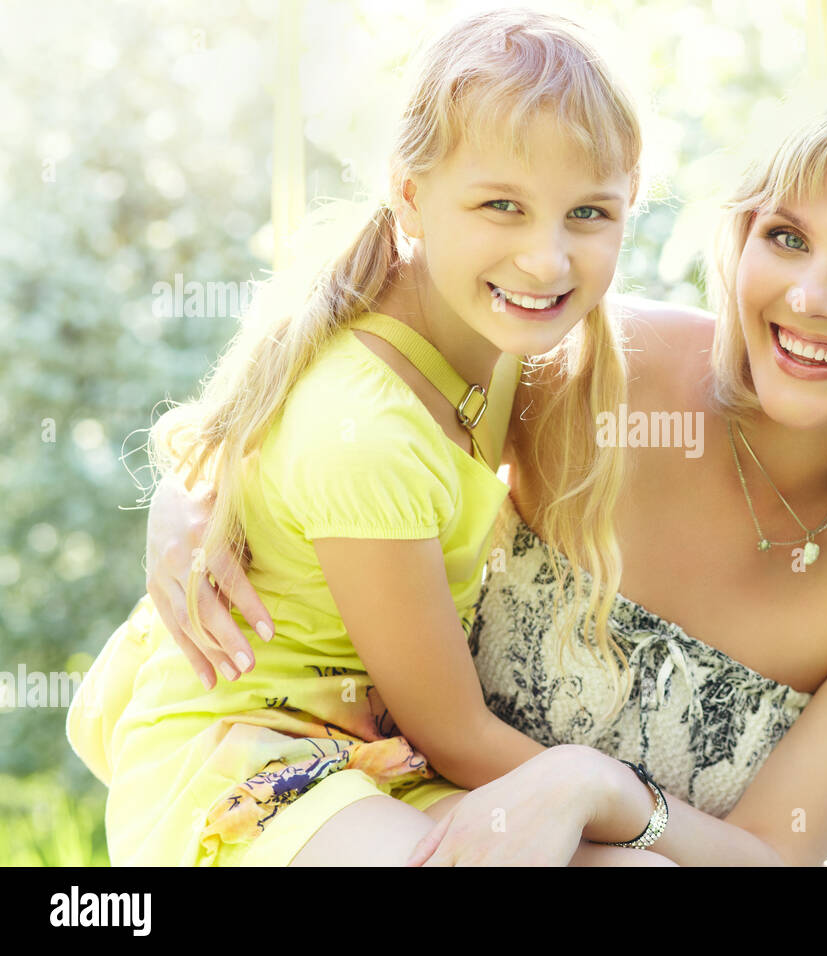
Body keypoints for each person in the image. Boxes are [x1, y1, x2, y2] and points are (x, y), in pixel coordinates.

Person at [137, 64, 827, 866]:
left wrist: (598, 788)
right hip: (393, 812)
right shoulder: (599, 367)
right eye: (787, 237)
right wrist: (198, 485)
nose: (811, 296)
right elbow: (354, 396)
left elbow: (773, 851)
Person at [66, 9, 673, 867]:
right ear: (412, 195)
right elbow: (459, 734)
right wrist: (685, 828)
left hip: (390, 760)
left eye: (587, 213)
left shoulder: (502, 329)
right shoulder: (366, 428)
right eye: (502, 205)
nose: (546, 259)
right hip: (251, 754)